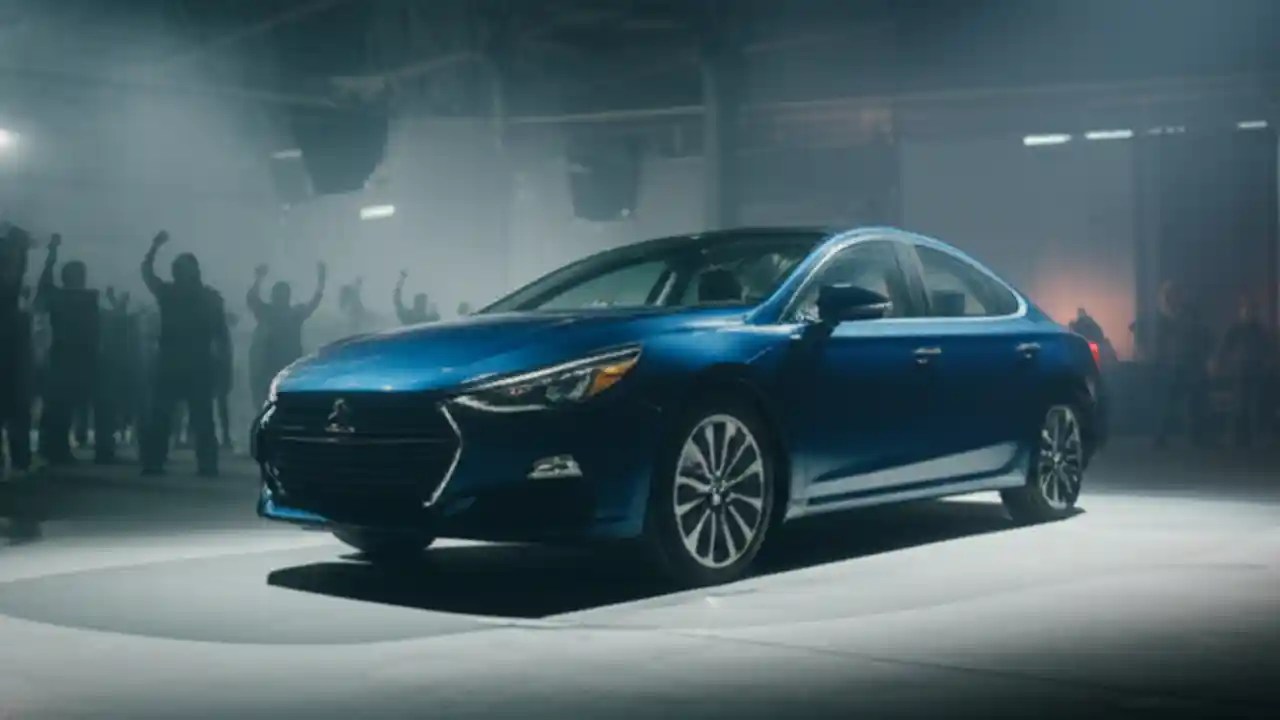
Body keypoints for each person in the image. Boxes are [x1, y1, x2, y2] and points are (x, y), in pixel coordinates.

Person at [139, 230, 229, 477]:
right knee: (174, 416)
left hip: (187, 363)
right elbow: (147, 273)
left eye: (180, 268)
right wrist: (154, 246)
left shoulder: (196, 297)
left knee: (192, 417)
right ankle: (166, 462)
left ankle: (165, 462)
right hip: (183, 363)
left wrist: (155, 247)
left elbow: (221, 335)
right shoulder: (198, 296)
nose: (177, 272)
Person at [34, 234, 100, 465]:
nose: (82, 278)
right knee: (60, 405)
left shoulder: (73, 298)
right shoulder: (81, 299)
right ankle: (54, 447)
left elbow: (43, 288)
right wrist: (52, 256)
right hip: (67, 357)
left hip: (69, 357)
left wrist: (52, 256)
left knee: (61, 405)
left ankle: (53, 446)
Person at [247, 262, 326, 410]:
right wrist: (321, 281)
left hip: (283, 367)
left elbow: (252, 299)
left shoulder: (284, 314)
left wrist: (258, 278)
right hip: (273, 367)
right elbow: (252, 299)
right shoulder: (278, 314)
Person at [1151, 281, 1212, 447]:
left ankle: (1195, 436)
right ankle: (1160, 437)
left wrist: (1203, 358)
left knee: (1193, 402)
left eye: (1177, 294)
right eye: (1171, 294)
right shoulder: (1161, 318)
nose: (1175, 298)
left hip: (1189, 363)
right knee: (1166, 403)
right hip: (1169, 365)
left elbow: (1202, 337)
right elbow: (1157, 342)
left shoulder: (1190, 315)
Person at [1214, 295, 1274, 447]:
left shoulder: (1261, 331)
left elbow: (1269, 350)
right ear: (1241, 311)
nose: (1249, 313)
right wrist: (1218, 364)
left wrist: (1268, 364)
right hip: (1239, 372)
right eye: (1246, 310)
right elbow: (1223, 349)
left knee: (1257, 405)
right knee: (1239, 405)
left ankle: (1257, 437)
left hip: (1258, 372)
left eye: (1252, 310)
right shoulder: (1234, 329)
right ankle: (1237, 437)